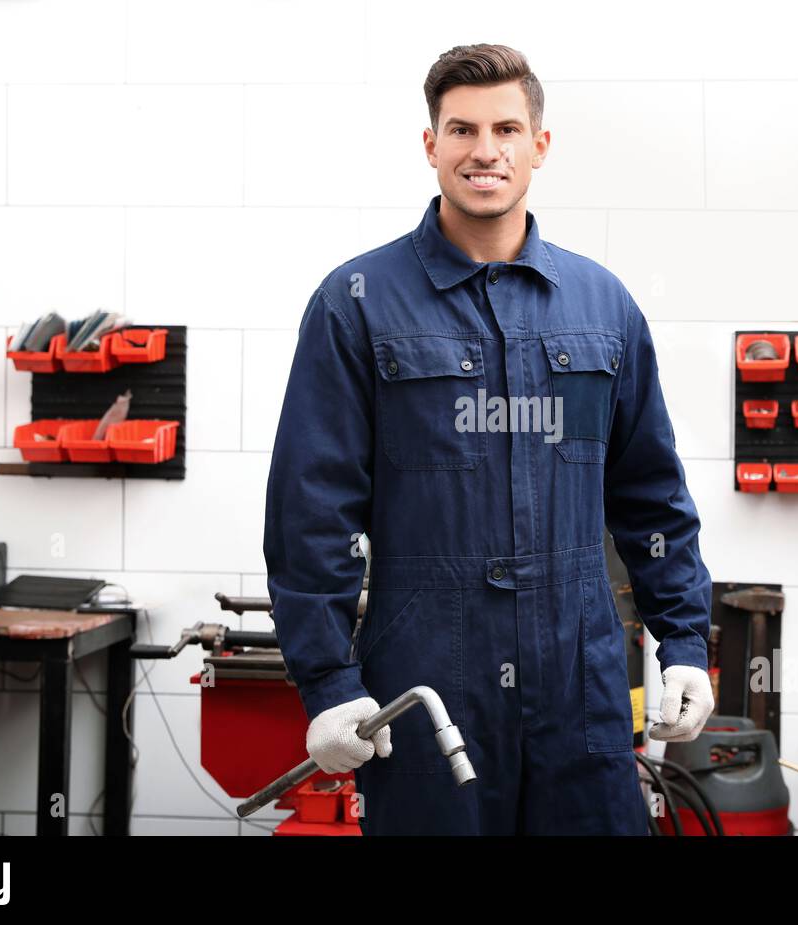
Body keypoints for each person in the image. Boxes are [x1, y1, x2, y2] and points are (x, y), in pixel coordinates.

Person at [263, 43, 713, 835]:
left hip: (581, 690)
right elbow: (312, 513)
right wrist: (329, 681)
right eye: (461, 129)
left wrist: (682, 638)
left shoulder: (602, 305)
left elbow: (651, 496)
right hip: (428, 686)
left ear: (539, 145)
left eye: (506, 127)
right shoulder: (356, 304)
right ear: (431, 145)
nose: (484, 150)